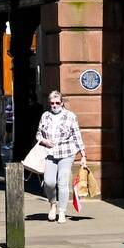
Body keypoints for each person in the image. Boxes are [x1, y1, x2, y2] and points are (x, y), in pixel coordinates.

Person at [36, 90, 86, 223]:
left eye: (57, 102)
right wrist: (44, 141)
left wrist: (83, 155)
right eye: (52, 103)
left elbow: (77, 135)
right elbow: (38, 134)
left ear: (62, 103)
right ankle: (53, 204)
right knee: (48, 182)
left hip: (66, 152)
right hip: (50, 153)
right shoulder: (45, 116)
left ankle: (62, 211)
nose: (55, 105)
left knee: (62, 182)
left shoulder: (70, 116)